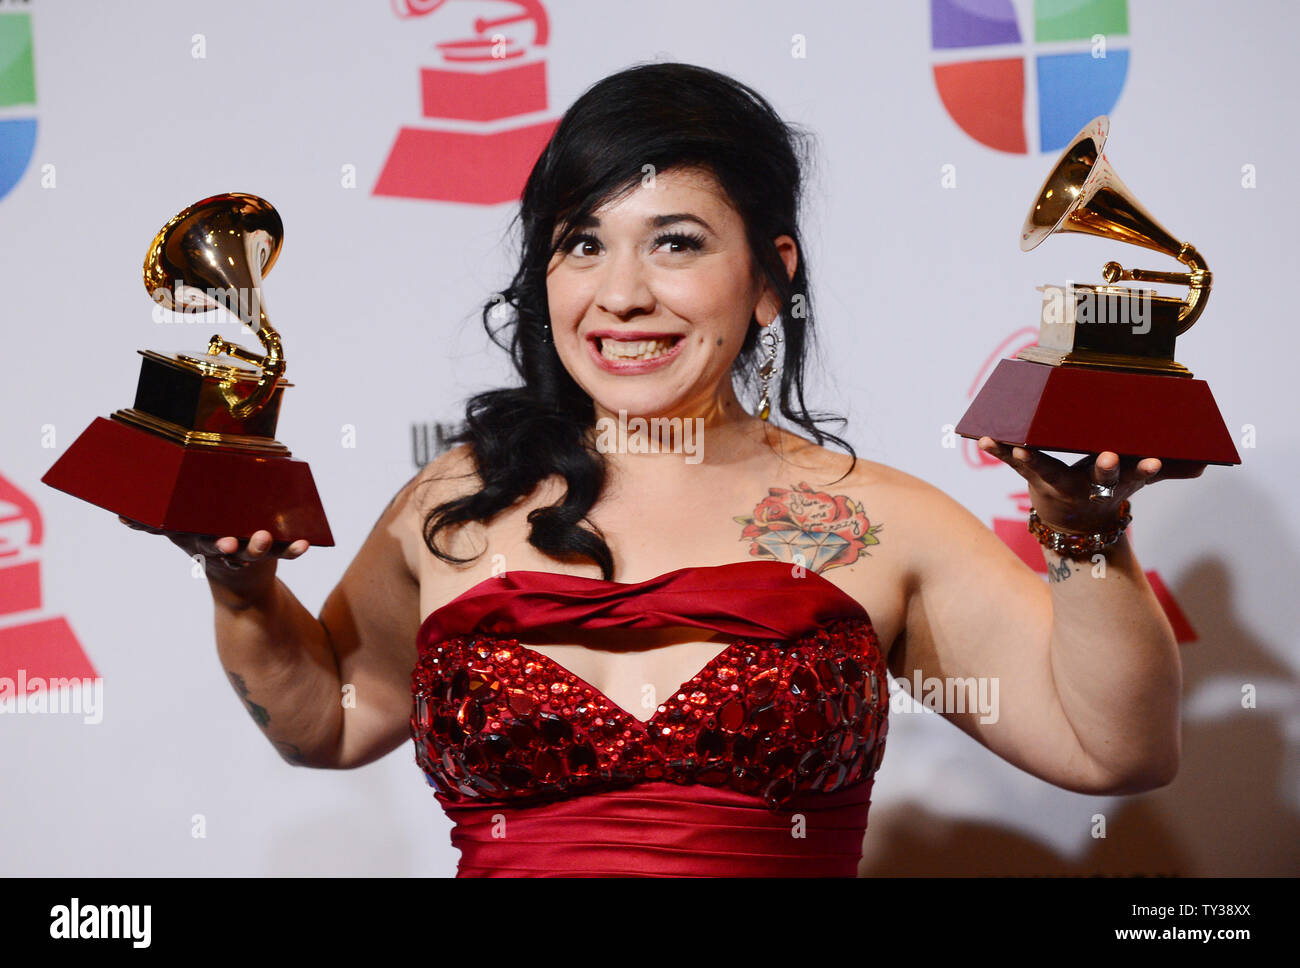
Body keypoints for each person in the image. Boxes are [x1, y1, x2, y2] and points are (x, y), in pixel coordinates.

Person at [121, 62, 1205, 876]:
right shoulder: (453, 499)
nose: (621, 293)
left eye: (675, 242)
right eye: (581, 242)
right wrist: (241, 586)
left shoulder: (882, 519)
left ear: (771, 275)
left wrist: (1090, 533)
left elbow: (1111, 748)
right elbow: (330, 720)